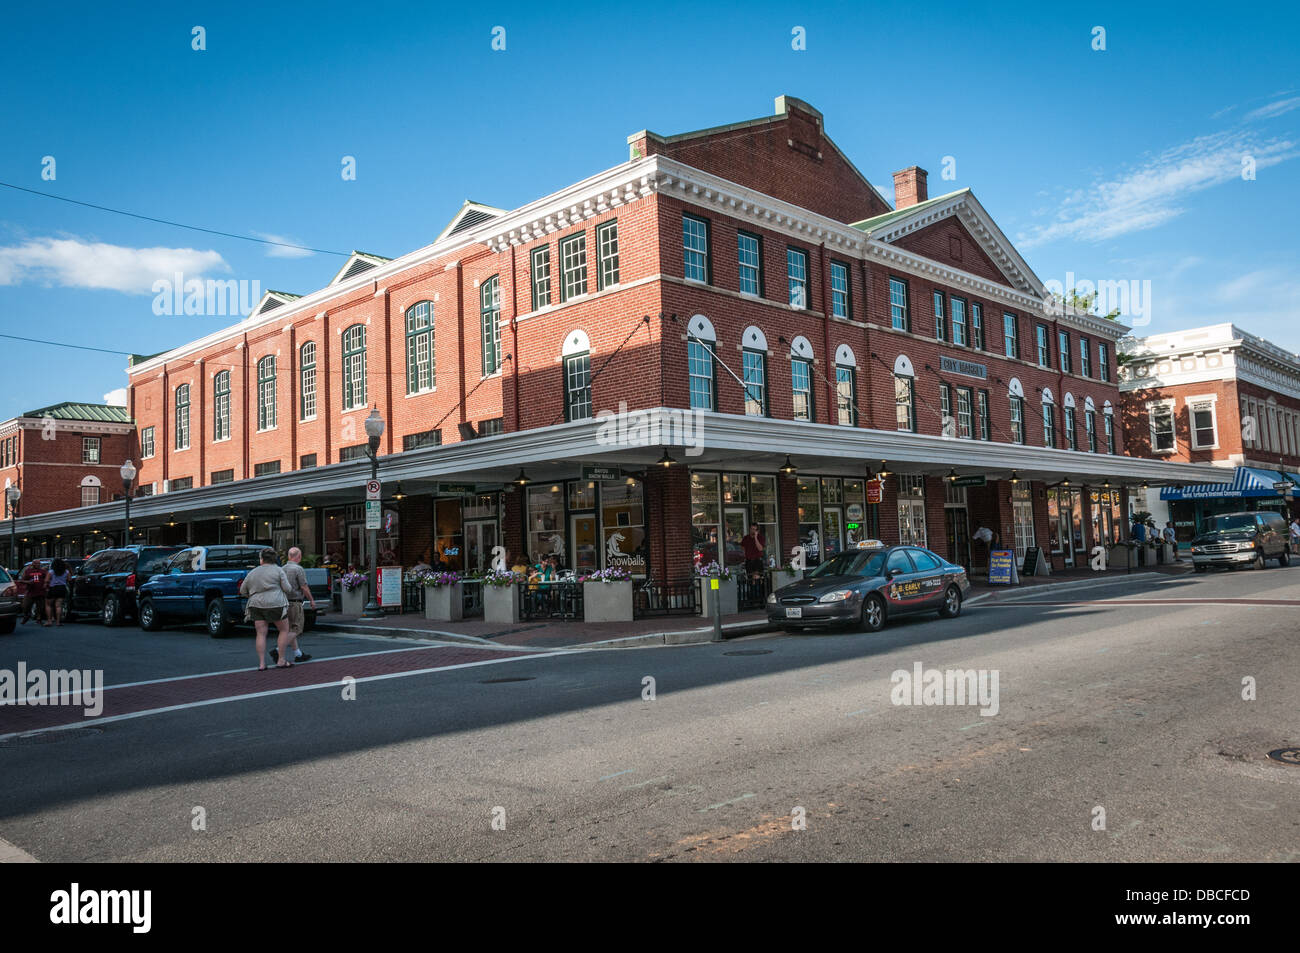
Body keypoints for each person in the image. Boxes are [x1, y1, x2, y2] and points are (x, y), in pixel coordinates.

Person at [240, 549, 294, 671]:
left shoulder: (253, 572)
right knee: (284, 630)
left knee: (260, 633)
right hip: (276, 603)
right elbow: (288, 588)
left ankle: (262, 664)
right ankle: (281, 660)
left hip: (256, 604)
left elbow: (243, 590)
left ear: (262, 559)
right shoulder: (278, 570)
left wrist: (253, 595)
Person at [270, 547, 314, 665]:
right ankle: (277, 650)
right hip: (295, 602)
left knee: (288, 629)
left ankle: (298, 654)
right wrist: (311, 600)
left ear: (289, 556)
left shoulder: (282, 569)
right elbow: (304, 587)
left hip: (283, 602)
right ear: (298, 557)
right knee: (296, 629)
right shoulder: (298, 569)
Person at [44, 558, 71, 627]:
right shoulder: (66, 571)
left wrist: (46, 586)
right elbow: (69, 579)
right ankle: (58, 622)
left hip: (53, 588)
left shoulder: (51, 572)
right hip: (62, 588)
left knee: (48, 605)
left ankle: (49, 621)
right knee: (58, 606)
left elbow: (46, 580)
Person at [19, 560, 46, 624]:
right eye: (37, 563)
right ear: (33, 564)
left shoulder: (43, 571)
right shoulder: (28, 571)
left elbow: (47, 579)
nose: (38, 565)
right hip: (30, 591)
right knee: (25, 605)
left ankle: (39, 619)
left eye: (39, 563)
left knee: (40, 606)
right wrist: (28, 582)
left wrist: (45, 584)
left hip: (40, 591)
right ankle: (26, 615)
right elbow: (21, 580)